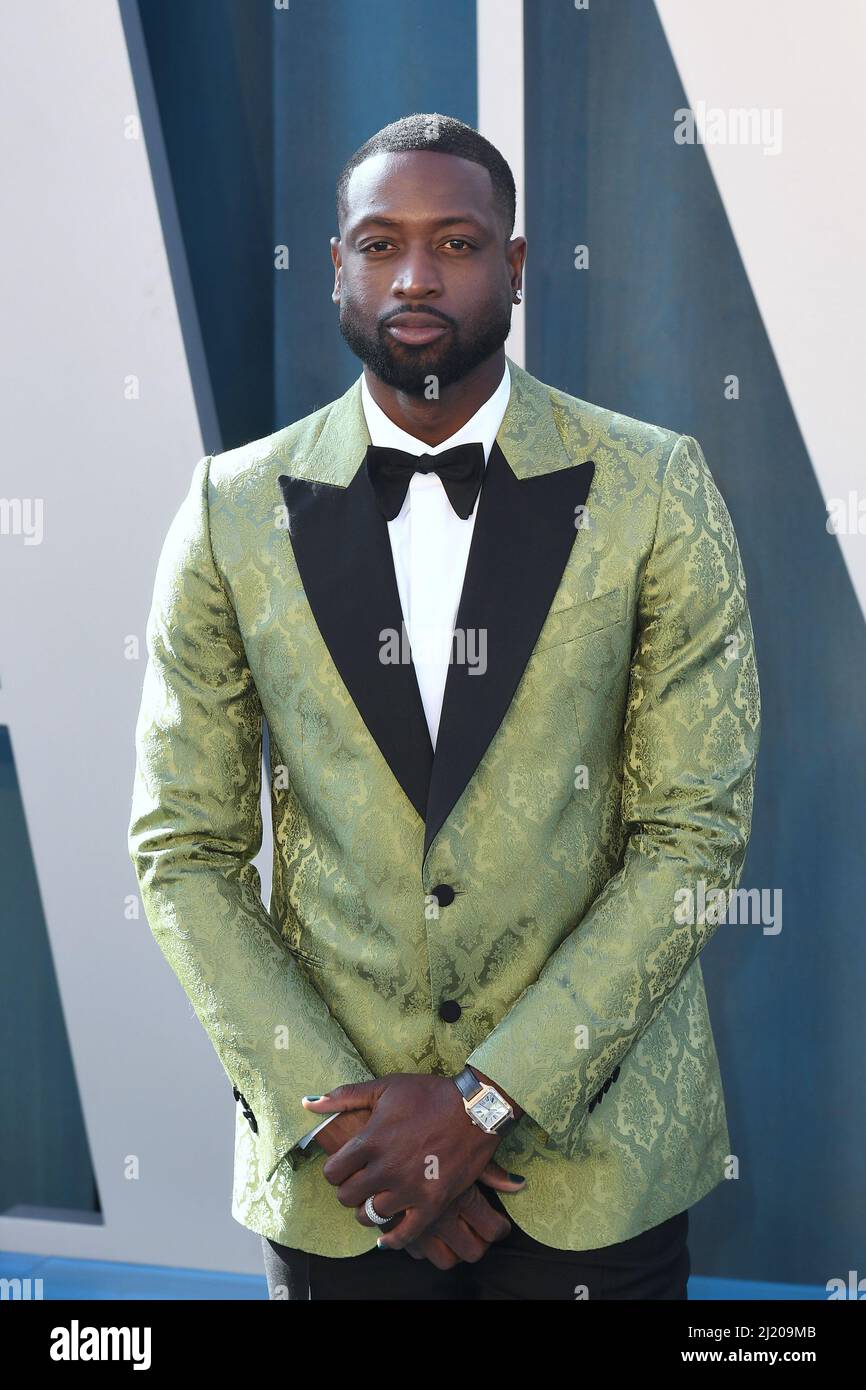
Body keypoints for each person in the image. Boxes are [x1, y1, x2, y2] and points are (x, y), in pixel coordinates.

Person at [128, 112, 761, 1300]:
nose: (413, 274)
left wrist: (481, 1101)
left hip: (596, 1178)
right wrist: (342, 1124)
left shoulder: (655, 487)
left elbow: (691, 835)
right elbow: (182, 851)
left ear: (514, 268)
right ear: (336, 267)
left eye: (457, 242)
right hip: (340, 1179)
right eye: (378, 244)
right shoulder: (228, 510)